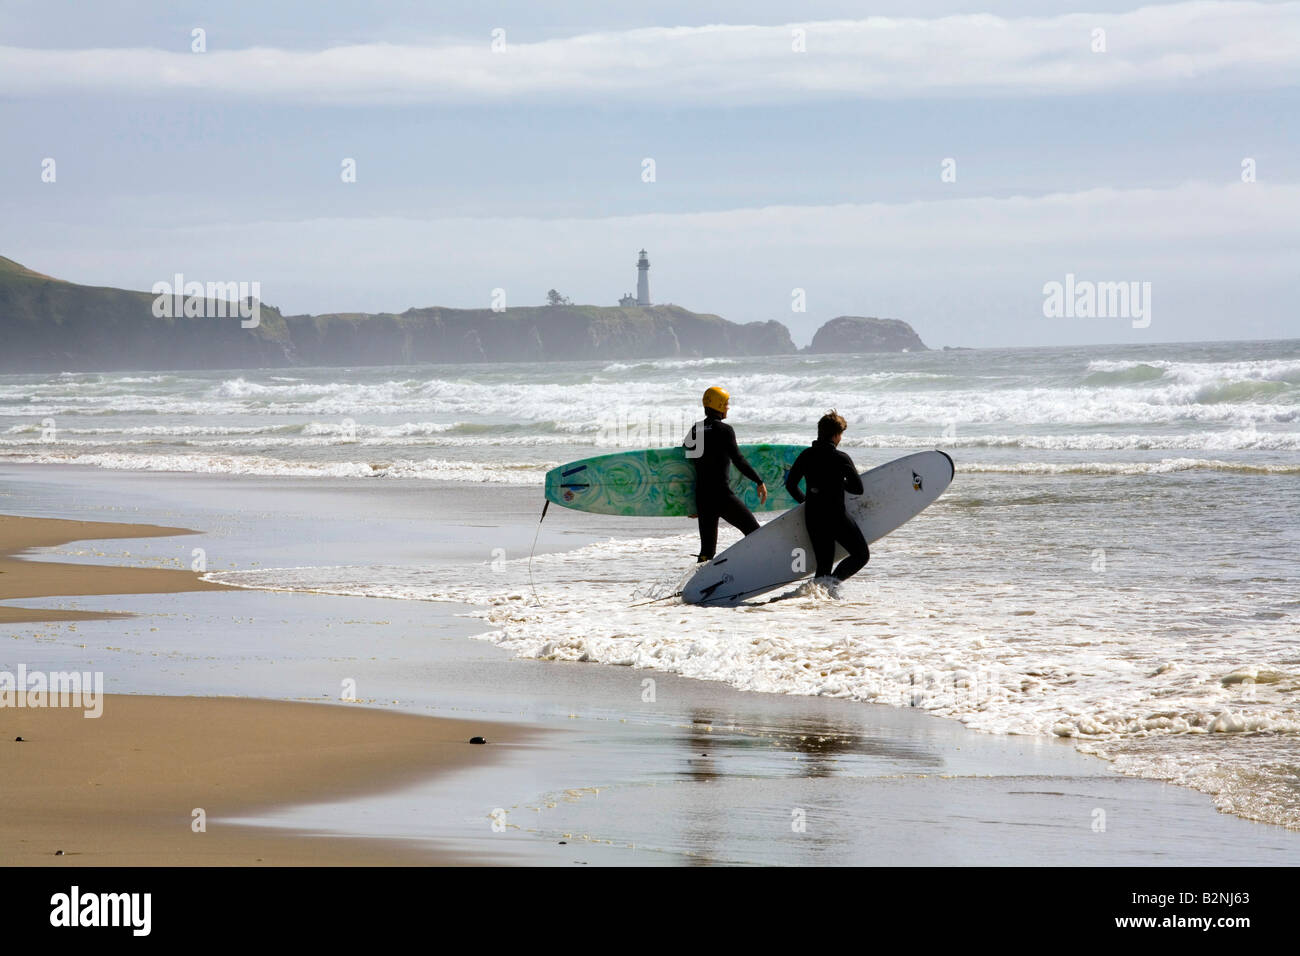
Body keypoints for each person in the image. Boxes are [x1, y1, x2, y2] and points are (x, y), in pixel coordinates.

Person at [784, 410, 869, 586]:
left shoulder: (807, 455)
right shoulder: (841, 458)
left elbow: (790, 484)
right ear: (836, 435)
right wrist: (840, 482)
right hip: (836, 516)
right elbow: (858, 488)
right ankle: (831, 585)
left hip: (813, 515)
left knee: (823, 563)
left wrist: (805, 502)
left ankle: (820, 599)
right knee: (861, 555)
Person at [683, 386, 768, 561]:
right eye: (726, 403)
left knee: (707, 551)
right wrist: (758, 481)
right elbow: (738, 460)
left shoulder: (694, 430)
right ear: (719, 404)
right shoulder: (724, 430)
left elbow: (688, 465)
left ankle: (695, 587)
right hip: (721, 496)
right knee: (755, 534)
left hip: (702, 497)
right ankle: (748, 569)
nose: (728, 407)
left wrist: (690, 503)